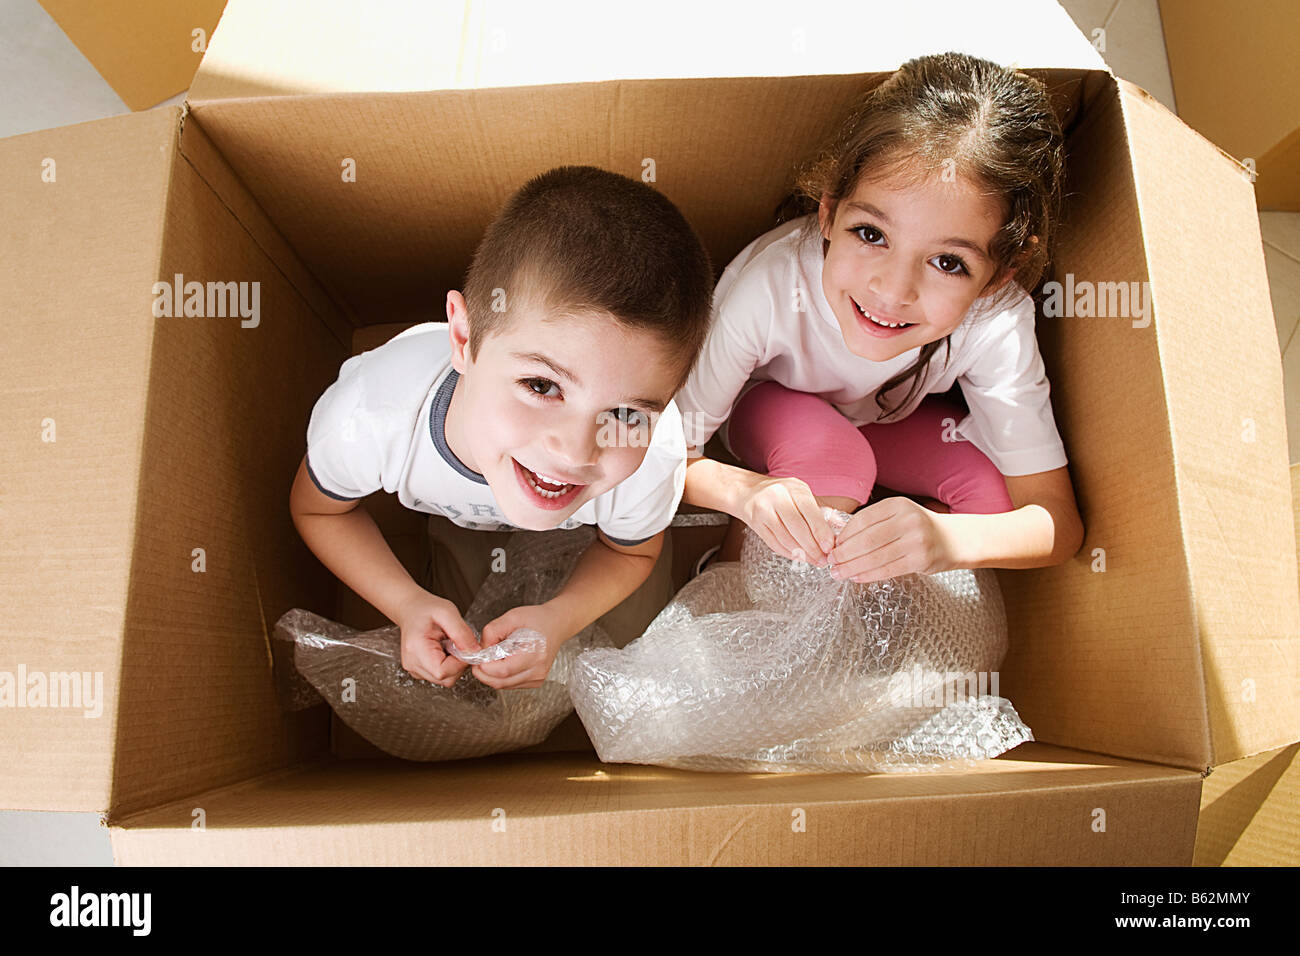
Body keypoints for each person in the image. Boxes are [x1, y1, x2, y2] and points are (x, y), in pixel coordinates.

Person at [290, 165, 713, 689]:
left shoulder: (650, 458)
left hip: (581, 539)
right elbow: (317, 509)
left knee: (646, 665)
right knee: (456, 680)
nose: (576, 451)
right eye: (541, 386)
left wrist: (561, 618)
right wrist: (406, 604)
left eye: (626, 414)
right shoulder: (373, 416)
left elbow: (632, 551)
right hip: (455, 526)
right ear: (463, 338)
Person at [678, 52, 1084, 583]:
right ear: (828, 212)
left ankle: (862, 595)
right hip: (766, 404)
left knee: (994, 497)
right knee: (836, 462)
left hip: (880, 417)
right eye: (871, 234)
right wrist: (747, 493)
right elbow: (667, 453)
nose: (892, 291)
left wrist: (941, 541)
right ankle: (730, 586)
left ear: (1002, 273)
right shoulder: (770, 290)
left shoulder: (997, 319)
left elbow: (1056, 521)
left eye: (948, 263)